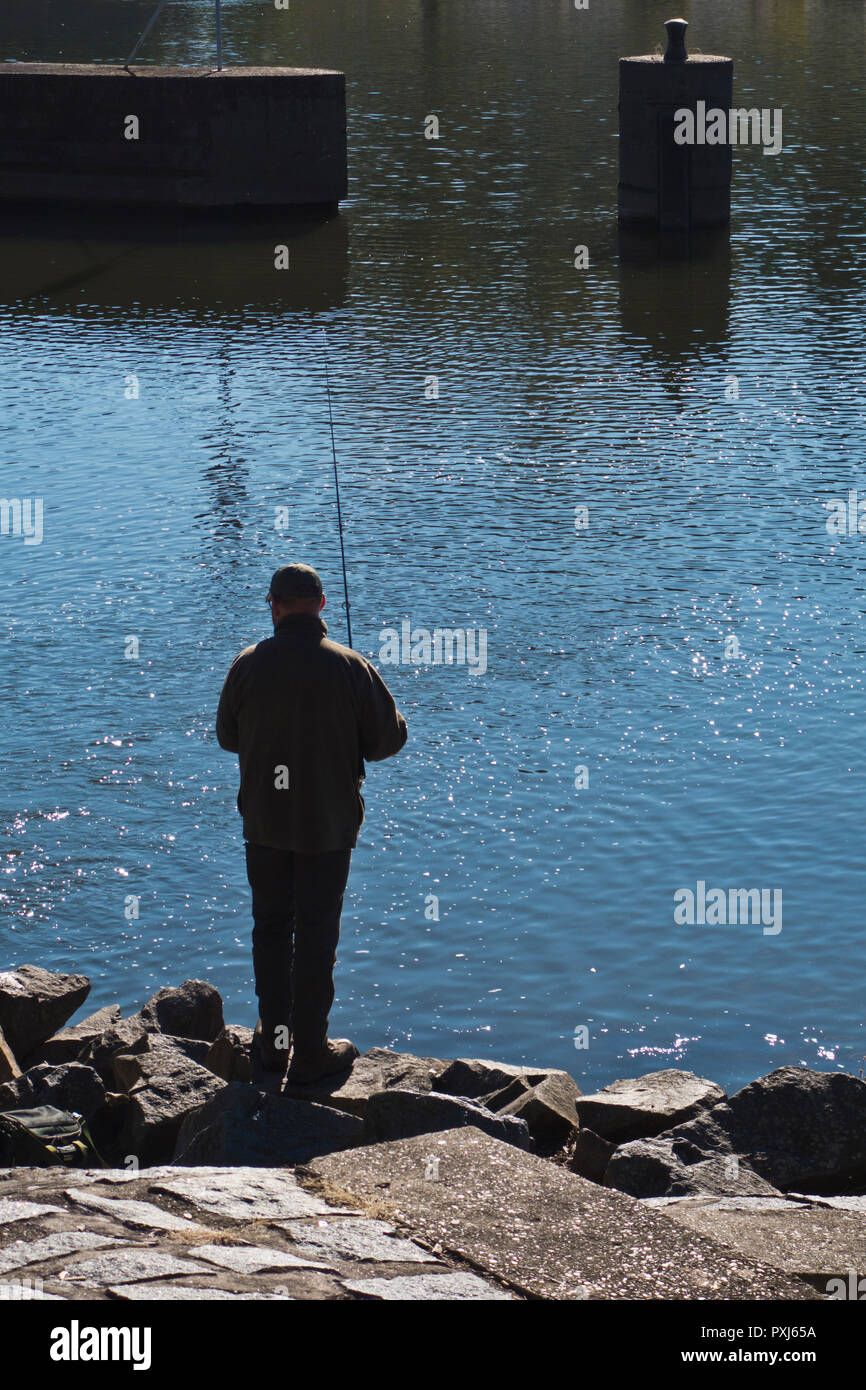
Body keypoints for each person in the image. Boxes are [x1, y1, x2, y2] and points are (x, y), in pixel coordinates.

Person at [216, 563, 408, 1084]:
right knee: (317, 934)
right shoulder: (351, 665)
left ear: (274, 607)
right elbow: (387, 742)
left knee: (271, 930)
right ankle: (310, 1054)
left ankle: (273, 1048)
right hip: (327, 826)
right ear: (321, 604)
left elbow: (227, 737)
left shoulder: (247, 664)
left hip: (265, 825)